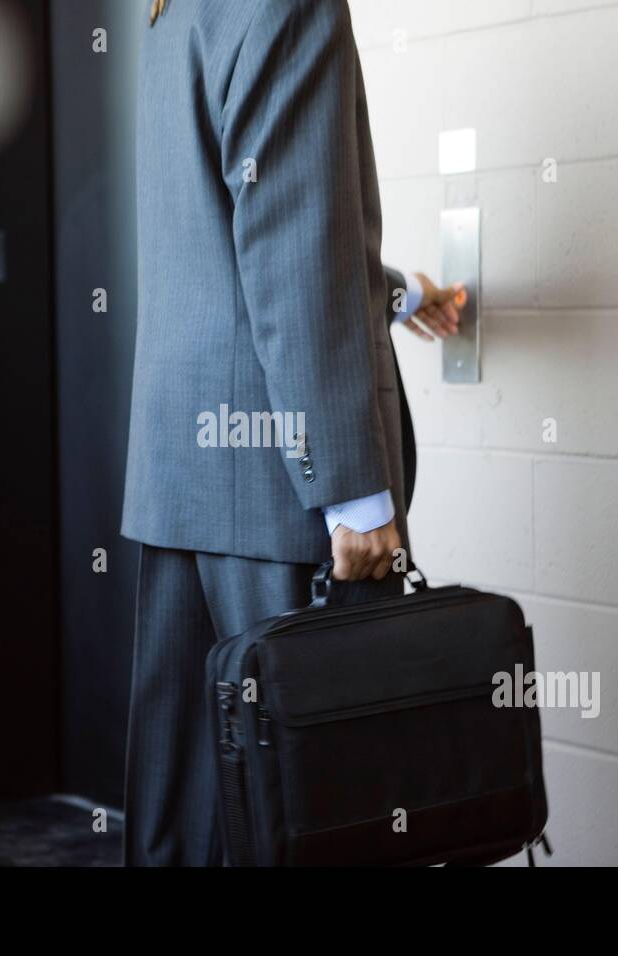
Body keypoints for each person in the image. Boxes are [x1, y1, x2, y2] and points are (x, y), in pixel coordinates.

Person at [121, 0, 464, 866]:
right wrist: (353, 491)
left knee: (190, 818)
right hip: (277, 481)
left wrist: (402, 293)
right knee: (315, 820)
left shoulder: (170, 11)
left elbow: (237, 226)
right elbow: (288, 246)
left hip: (186, 476)